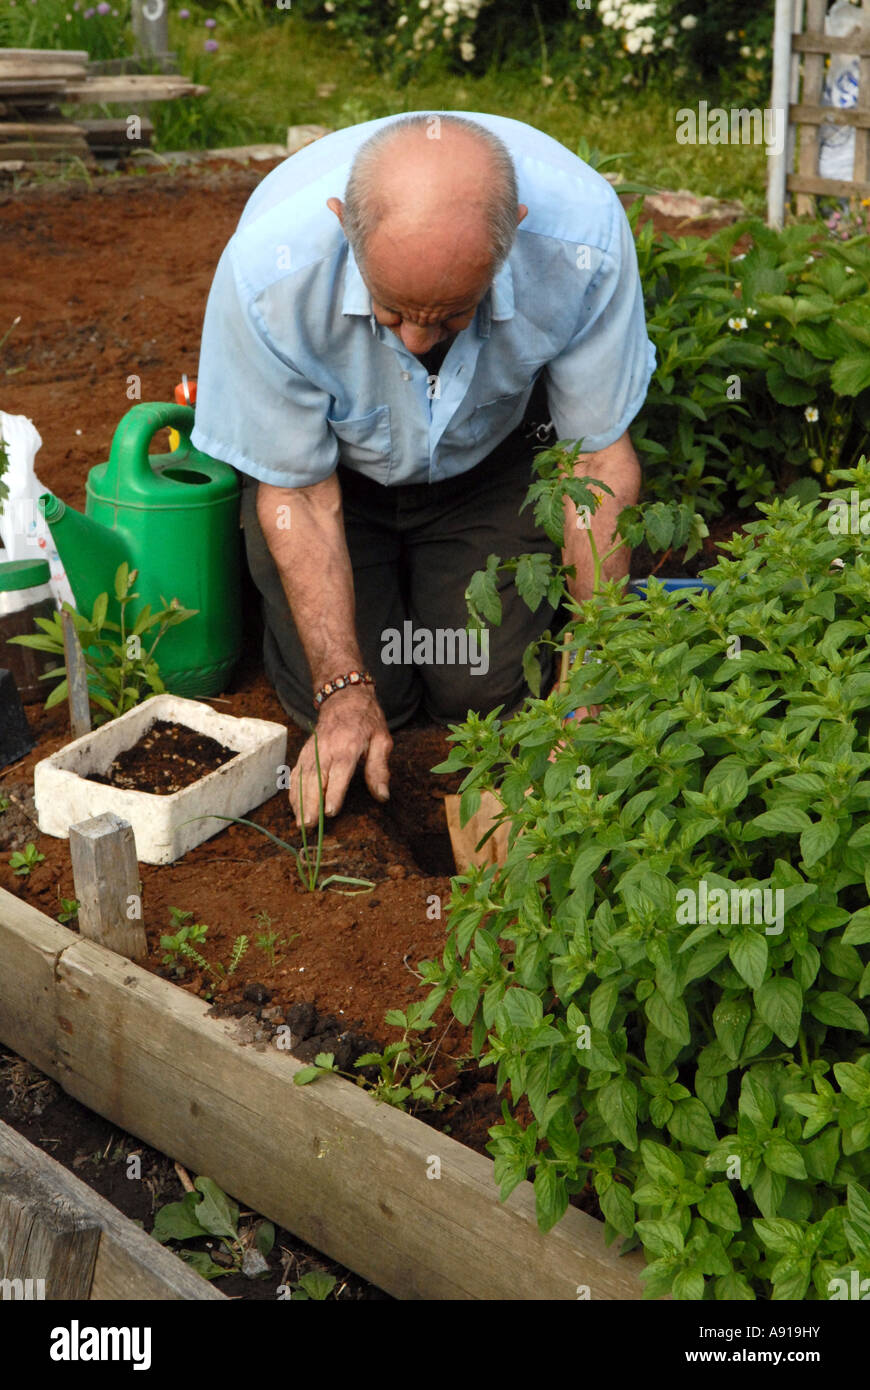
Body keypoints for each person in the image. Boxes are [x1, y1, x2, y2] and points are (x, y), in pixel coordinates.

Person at [192, 111, 654, 827]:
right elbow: (300, 492)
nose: (414, 340)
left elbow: (595, 462)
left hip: (486, 465)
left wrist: (592, 675)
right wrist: (343, 688)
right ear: (344, 224)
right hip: (329, 477)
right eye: (392, 310)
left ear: (515, 235)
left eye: (448, 316)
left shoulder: (578, 242)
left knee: (482, 690)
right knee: (375, 701)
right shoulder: (269, 275)